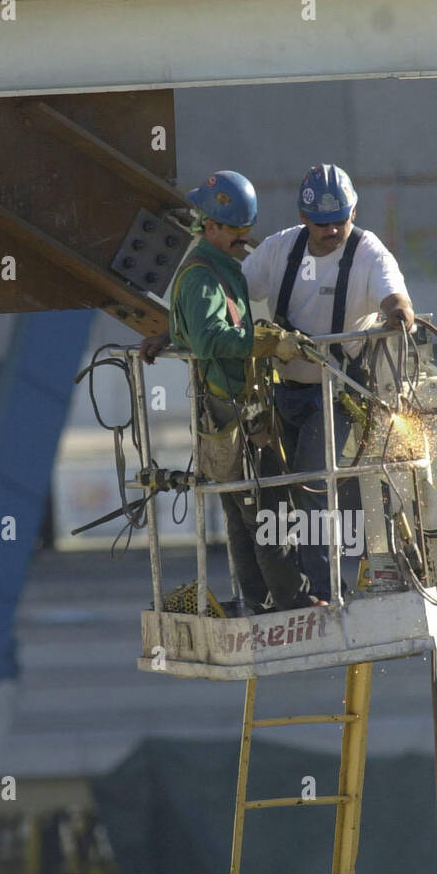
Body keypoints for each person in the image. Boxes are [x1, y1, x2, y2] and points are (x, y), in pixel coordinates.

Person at [141, 170, 314, 614]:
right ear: (210, 226)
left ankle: (258, 599)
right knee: (264, 509)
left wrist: (170, 335)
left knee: (245, 509)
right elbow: (211, 339)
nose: (243, 240)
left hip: (231, 406)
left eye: (245, 231)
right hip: (235, 409)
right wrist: (266, 340)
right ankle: (289, 600)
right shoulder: (203, 276)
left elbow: (196, 330)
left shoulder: (219, 269)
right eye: (236, 231)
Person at [241, 164, 415, 600]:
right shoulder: (281, 250)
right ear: (304, 217)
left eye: (341, 220)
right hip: (283, 392)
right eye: (322, 223)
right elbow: (234, 288)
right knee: (268, 491)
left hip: (335, 394)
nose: (332, 230)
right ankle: (278, 592)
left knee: (314, 482)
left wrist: (399, 314)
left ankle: (323, 592)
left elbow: (393, 294)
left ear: (353, 212)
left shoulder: (367, 253)